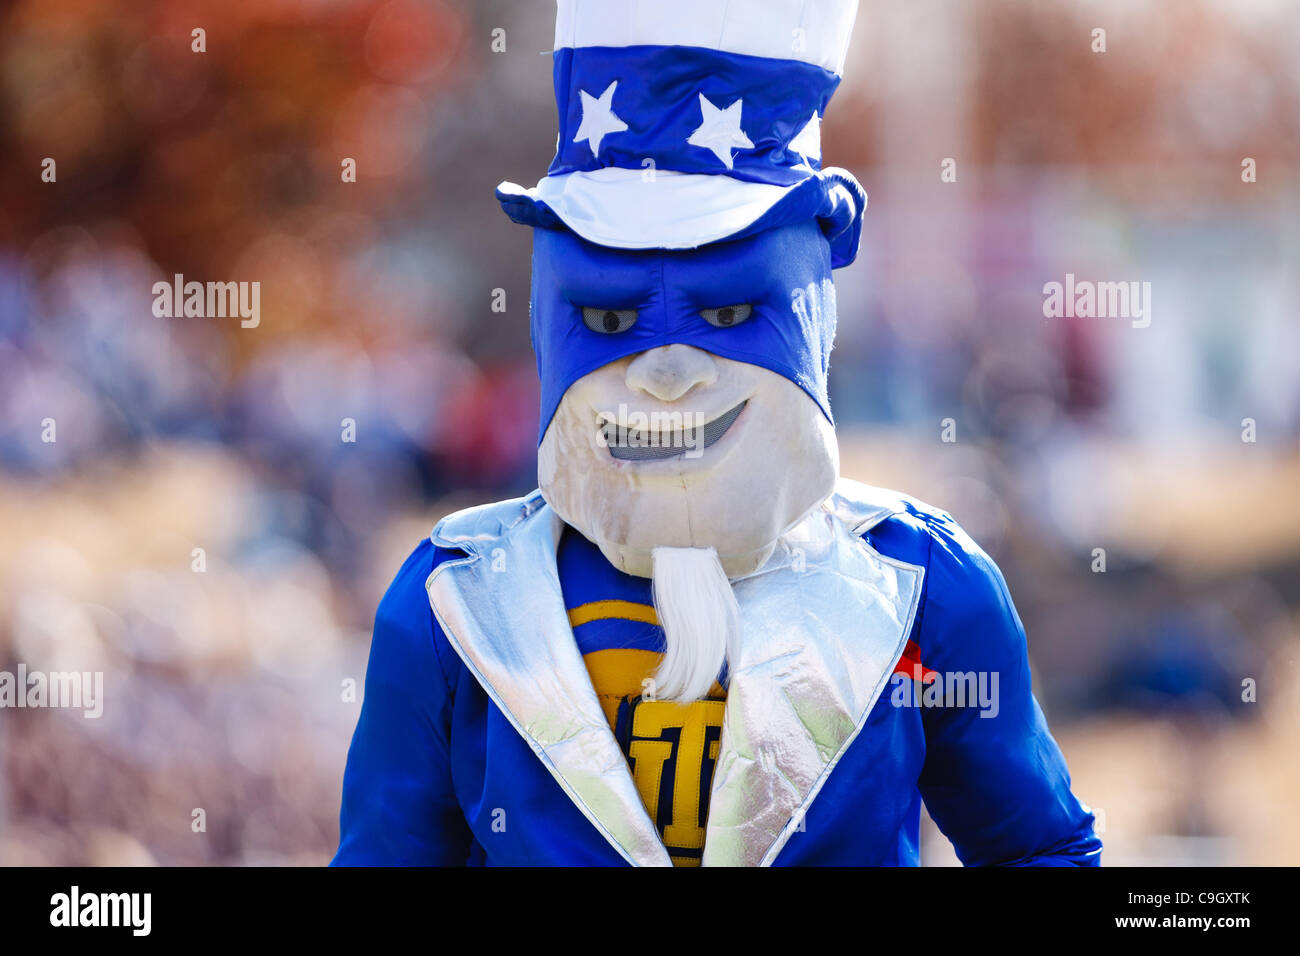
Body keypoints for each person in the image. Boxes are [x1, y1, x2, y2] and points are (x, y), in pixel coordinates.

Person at [332, 0, 1102, 867]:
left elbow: (1040, 851)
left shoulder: (922, 590)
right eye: (609, 317)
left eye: (731, 310)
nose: (666, 371)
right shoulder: (453, 605)